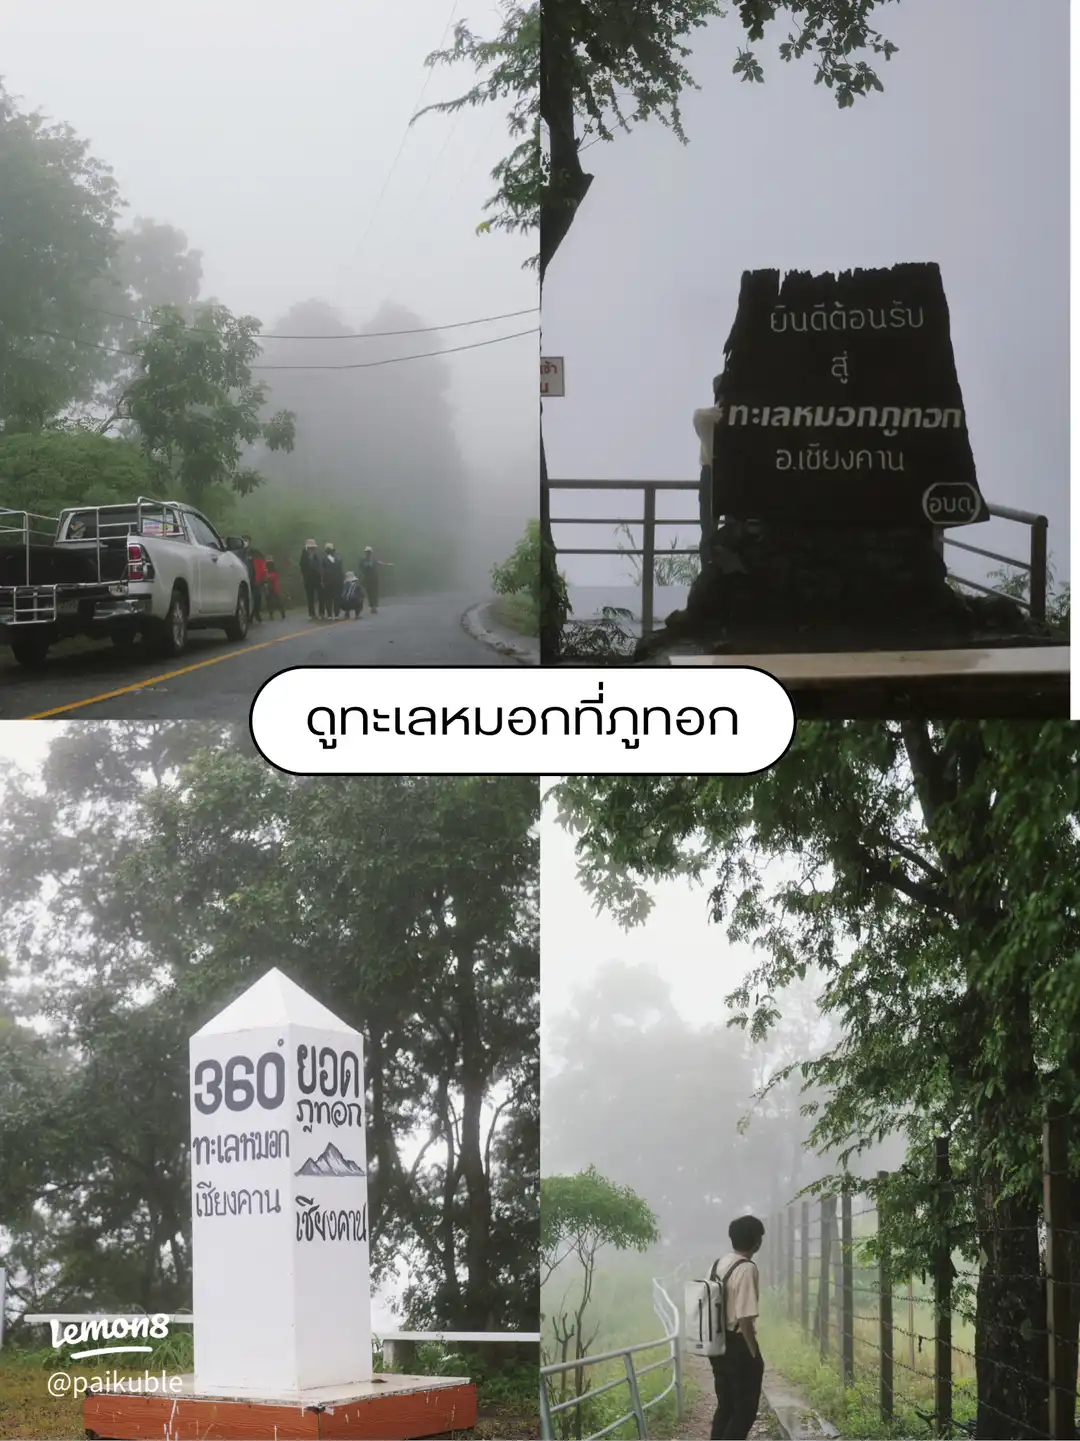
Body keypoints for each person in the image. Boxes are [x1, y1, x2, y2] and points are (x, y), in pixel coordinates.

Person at [709, 1214, 765, 1440]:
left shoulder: (718, 1263)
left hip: (717, 1342)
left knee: (726, 1405)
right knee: (745, 1409)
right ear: (756, 1241)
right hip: (738, 1345)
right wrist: (753, 1352)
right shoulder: (747, 1268)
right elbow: (744, 1318)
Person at [693, 375, 726, 562]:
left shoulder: (702, 417)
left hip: (710, 475)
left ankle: (708, 572)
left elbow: (700, 421)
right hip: (735, 477)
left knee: (708, 530)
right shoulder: (741, 418)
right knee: (737, 529)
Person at [358, 546, 394, 615]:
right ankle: (372, 605)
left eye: (369, 552)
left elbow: (380, 563)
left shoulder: (373, 560)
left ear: (371, 553)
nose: (368, 553)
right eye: (367, 552)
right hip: (367, 578)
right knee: (369, 593)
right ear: (365, 553)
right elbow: (361, 569)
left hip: (374, 578)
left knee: (374, 592)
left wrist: (388, 564)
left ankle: (374, 606)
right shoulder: (362, 560)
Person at [298, 538, 323, 619]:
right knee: (310, 596)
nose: (311, 549)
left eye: (312, 547)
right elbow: (302, 565)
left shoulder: (316, 554)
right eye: (309, 547)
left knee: (321, 595)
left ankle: (321, 612)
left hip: (317, 578)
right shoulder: (304, 554)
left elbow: (320, 565)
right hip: (308, 578)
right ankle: (311, 613)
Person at [322, 541, 344, 618]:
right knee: (331, 598)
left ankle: (334, 614)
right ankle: (331, 614)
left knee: (333, 598)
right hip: (331, 581)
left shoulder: (334, 558)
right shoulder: (336, 558)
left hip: (333, 581)